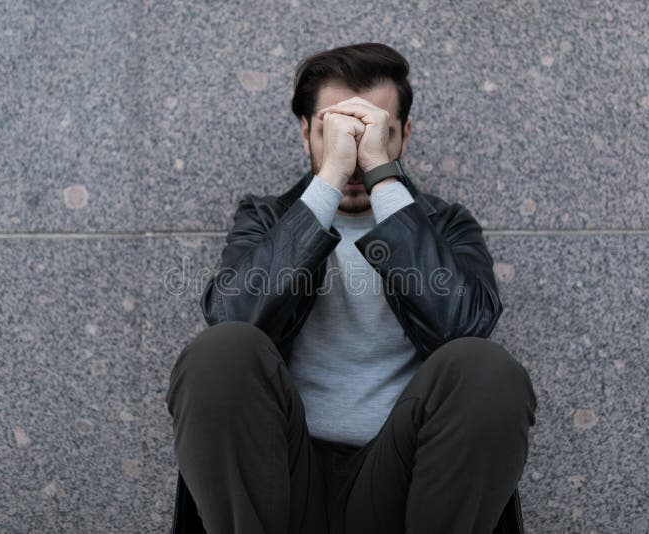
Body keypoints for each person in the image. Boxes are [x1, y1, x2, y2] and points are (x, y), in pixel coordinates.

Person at [165, 42, 537, 534]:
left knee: (486, 367)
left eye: (375, 131)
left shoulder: (445, 226)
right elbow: (235, 316)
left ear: (403, 133)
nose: (358, 151)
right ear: (306, 133)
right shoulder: (267, 218)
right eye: (335, 130)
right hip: (281, 481)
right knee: (220, 350)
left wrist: (384, 178)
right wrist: (331, 176)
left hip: (400, 480)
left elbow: (463, 328)